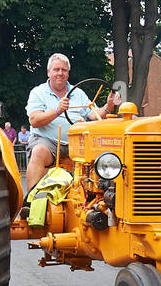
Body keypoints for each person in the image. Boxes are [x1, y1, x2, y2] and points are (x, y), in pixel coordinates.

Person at [25, 53, 118, 193]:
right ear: (48, 72)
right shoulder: (38, 92)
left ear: (68, 73)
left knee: (106, 157)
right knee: (38, 152)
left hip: (76, 142)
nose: (60, 73)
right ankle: (31, 202)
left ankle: (99, 201)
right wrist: (57, 110)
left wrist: (108, 107)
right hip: (48, 142)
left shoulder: (78, 93)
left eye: (64, 70)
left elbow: (93, 115)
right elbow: (35, 120)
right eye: (56, 69)